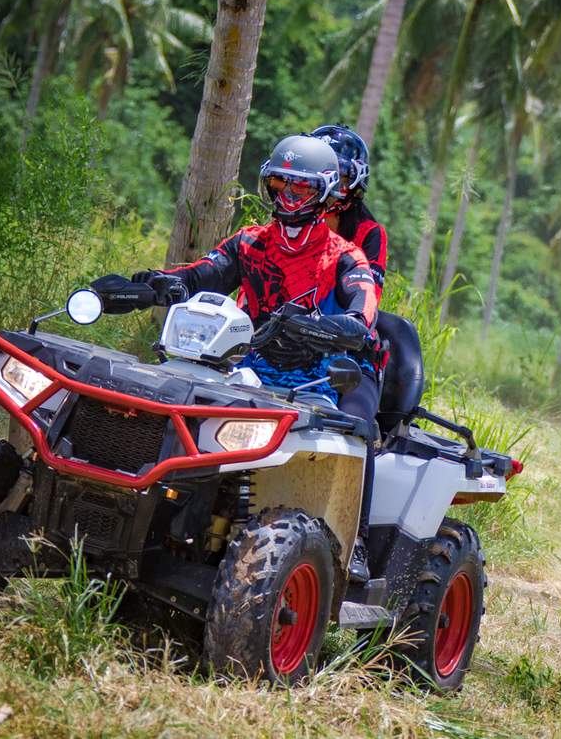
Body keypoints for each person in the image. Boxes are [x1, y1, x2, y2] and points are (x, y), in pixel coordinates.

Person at [132, 134, 380, 581]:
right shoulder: (250, 242)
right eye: (279, 184)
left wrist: (325, 327)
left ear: (324, 193)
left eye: (300, 188)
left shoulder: (345, 256)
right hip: (246, 368)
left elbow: (362, 313)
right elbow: (200, 274)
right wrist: (149, 284)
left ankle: (352, 543)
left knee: (355, 439)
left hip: (316, 380)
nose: (286, 197)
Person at [313, 124, 388, 296]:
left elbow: (368, 297)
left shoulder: (370, 232)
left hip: (329, 318)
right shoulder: (292, 213)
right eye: (318, 174)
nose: (328, 185)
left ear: (356, 181)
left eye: (339, 177)